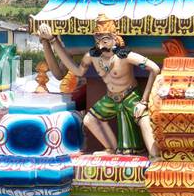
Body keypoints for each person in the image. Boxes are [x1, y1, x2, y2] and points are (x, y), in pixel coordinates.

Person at [37, 15, 160, 157]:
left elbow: (155, 69)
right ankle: (111, 149)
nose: (101, 45)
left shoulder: (125, 56)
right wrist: (53, 41)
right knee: (89, 119)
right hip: (110, 98)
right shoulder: (92, 56)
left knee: (144, 120)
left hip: (130, 96)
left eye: (105, 40)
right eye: (98, 40)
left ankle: (156, 157)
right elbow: (77, 71)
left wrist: (144, 102)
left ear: (115, 38)